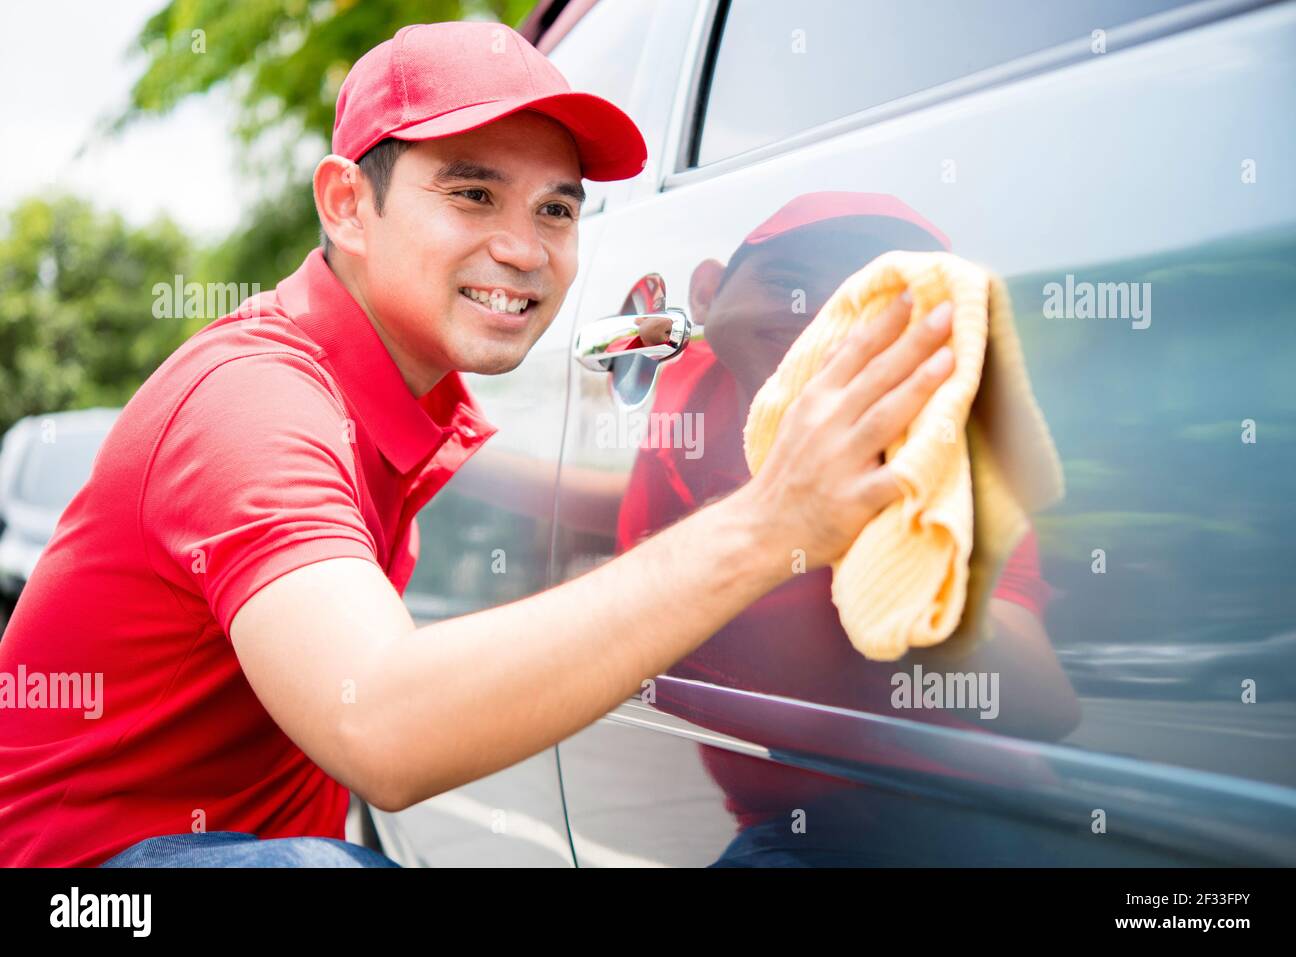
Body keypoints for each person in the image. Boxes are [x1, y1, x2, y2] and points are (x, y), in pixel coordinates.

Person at [0, 21, 955, 868]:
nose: (527, 249)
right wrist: (767, 520)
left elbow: (558, 498)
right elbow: (384, 725)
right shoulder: (255, 402)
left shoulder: (387, 396)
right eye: (472, 194)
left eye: (557, 208)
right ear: (345, 203)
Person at [608, 192, 1082, 865]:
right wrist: (473, 466)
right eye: (790, 282)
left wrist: (879, 529)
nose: (816, 316)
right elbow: (646, 510)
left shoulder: (935, 456)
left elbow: (1047, 704)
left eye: (866, 304)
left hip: (958, 809)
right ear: (709, 293)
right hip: (788, 821)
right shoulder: (688, 396)